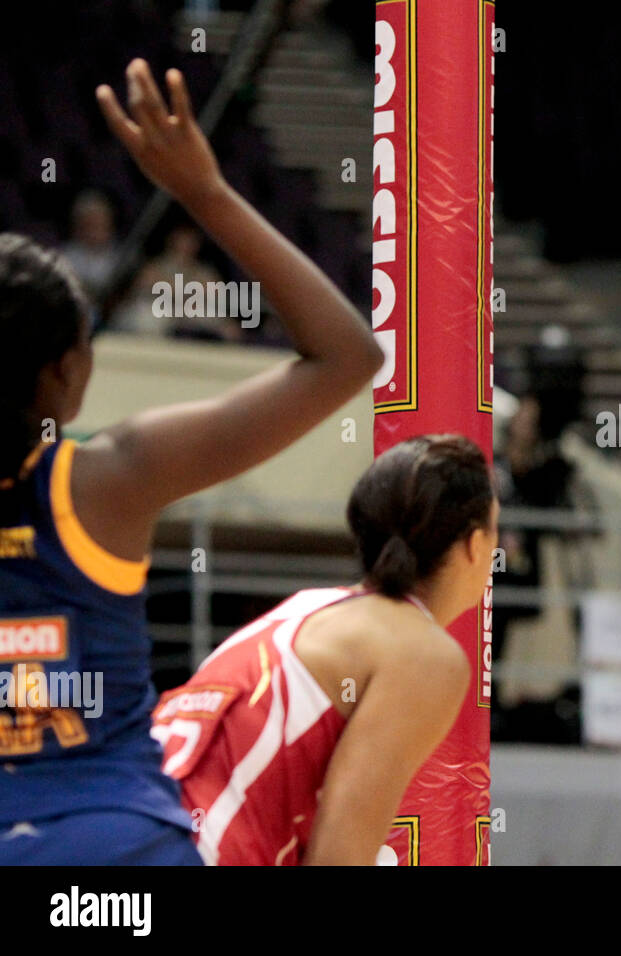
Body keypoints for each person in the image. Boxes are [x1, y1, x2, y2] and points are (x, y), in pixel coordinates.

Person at [0, 59, 382, 864]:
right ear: (70, 373)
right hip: (115, 844)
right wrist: (204, 191)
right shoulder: (107, 477)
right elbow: (346, 355)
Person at [151, 435, 494, 865]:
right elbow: (339, 856)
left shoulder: (309, 606)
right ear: (476, 544)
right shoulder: (424, 653)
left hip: (116, 831)